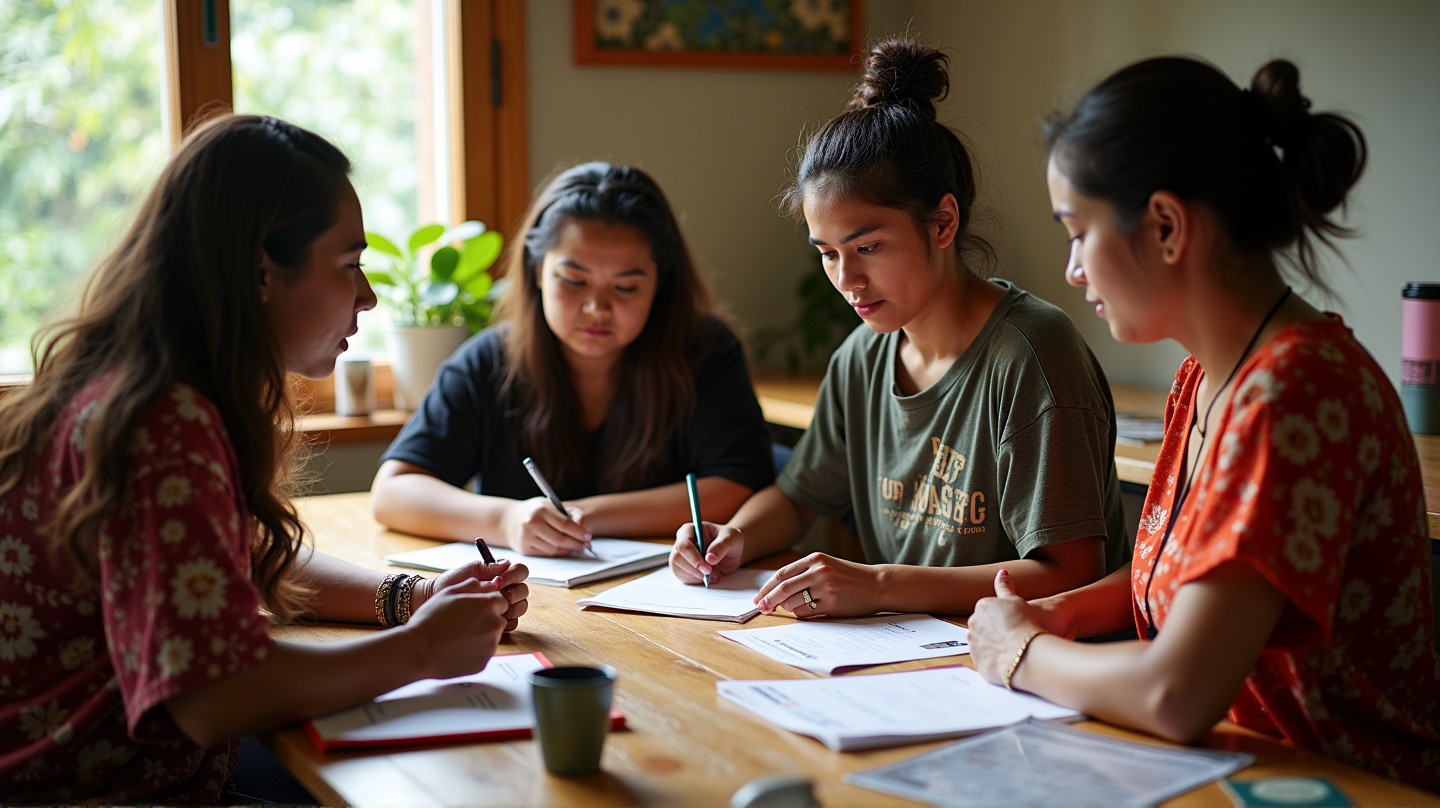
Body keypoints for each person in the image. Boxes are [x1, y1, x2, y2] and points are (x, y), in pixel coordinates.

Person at [0, 115, 529, 803]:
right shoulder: (163, 424)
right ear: (259, 272)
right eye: (348, 264)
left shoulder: (135, 388)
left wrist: (413, 598)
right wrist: (423, 649)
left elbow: (226, 558)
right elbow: (213, 696)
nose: (367, 295)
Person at [967, 57, 1440, 790]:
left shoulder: (1298, 393)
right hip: (1229, 767)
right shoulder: (1207, 377)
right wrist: (1059, 613)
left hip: (1345, 785)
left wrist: (1020, 654)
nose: (1071, 270)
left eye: (1078, 231)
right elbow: (1188, 575)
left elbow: (1176, 694)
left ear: (1165, 226)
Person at [669, 38, 1129, 618]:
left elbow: (1070, 572)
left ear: (942, 223)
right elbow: (797, 497)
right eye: (828, 254)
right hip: (906, 656)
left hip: (1028, 661)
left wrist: (880, 586)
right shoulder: (862, 357)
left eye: (868, 247)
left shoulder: (1032, 355)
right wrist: (732, 536)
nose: (847, 279)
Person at [371, 162, 775, 556]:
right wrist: (508, 520)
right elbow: (394, 492)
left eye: (626, 286)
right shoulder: (490, 361)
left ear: (660, 283)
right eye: (574, 281)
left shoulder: (704, 352)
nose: (597, 307)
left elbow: (736, 485)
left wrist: (580, 517)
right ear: (537, 271)